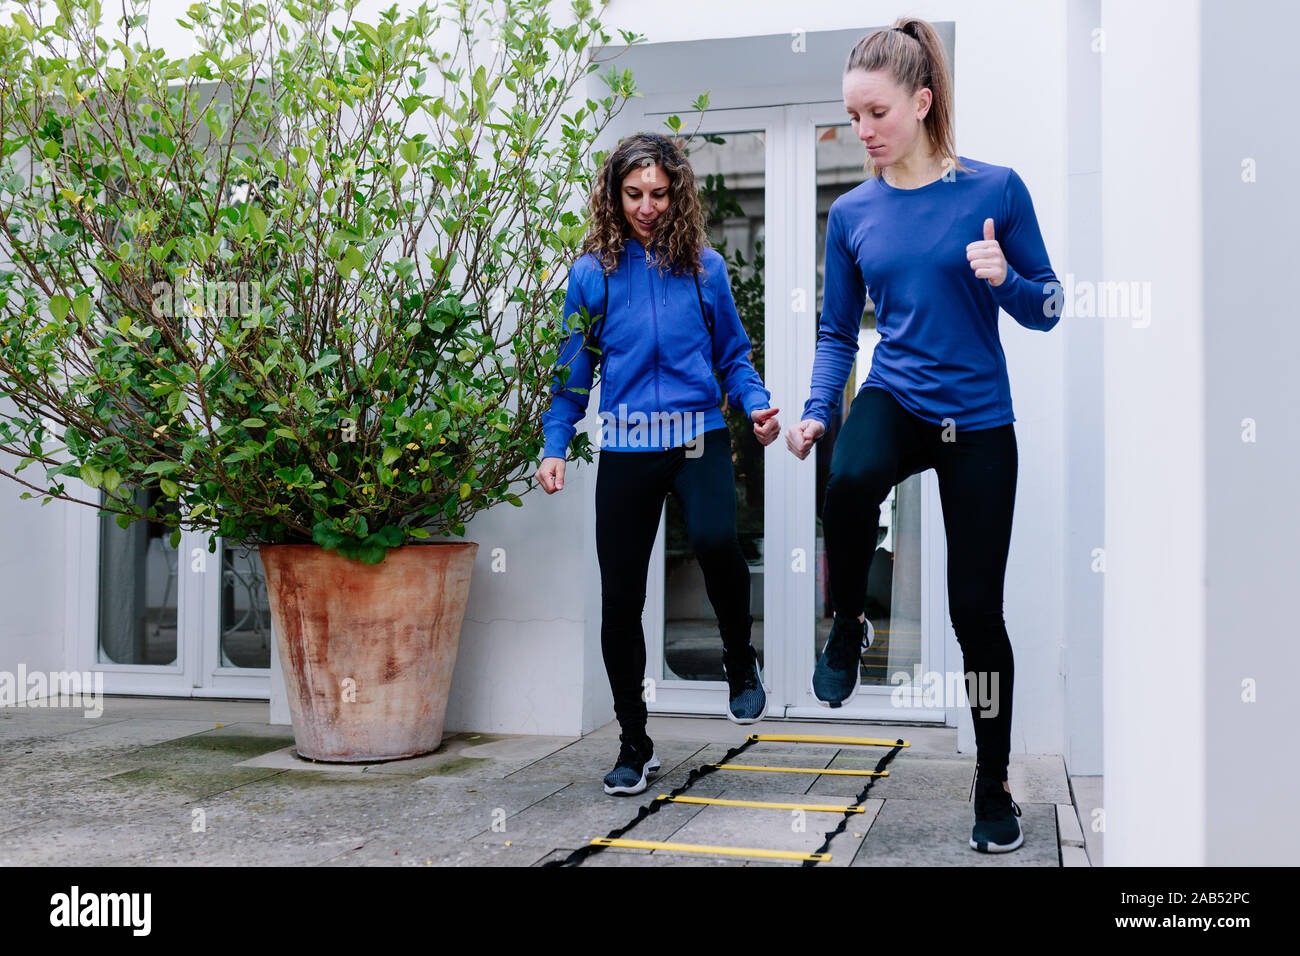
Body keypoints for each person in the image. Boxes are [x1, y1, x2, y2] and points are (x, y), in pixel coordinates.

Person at [786, 18, 1062, 853]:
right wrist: (813, 407)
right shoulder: (853, 212)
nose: (860, 131)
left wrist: (1007, 280)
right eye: (852, 115)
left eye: (874, 113)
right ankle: (846, 623)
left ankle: (991, 781)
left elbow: (1048, 306)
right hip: (899, 396)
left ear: (921, 101)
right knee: (847, 478)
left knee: (975, 614)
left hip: (978, 419)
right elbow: (839, 334)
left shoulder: (996, 189)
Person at [536, 132, 781, 796]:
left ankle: (739, 657)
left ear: (679, 195)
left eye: (659, 195)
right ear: (615, 196)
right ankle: (633, 742)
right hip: (626, 444)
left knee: (715, 539)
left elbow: (732, 355)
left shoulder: (705, 268)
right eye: (634, 194)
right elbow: (572, 374)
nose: (647, 207)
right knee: (621, 600)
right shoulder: (591, 275)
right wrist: (554, 446)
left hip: (697, 434)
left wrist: (755, 404)